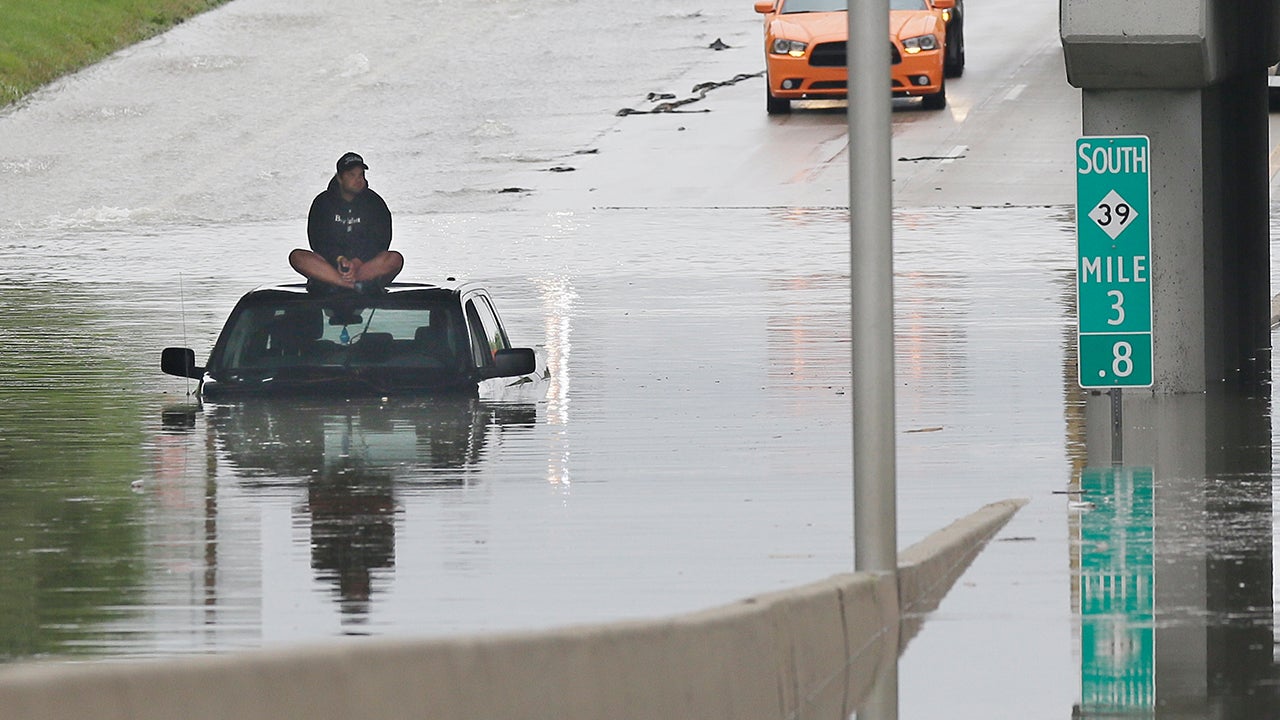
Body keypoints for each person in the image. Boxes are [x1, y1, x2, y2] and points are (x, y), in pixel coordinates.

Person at [289, 152, 404, 292]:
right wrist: (339, 259)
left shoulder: (375, 203)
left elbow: (380, 241)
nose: (358, 180)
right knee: (297, 257)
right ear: (339, 178)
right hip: (332, 267)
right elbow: (318, 242)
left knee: (395, 259)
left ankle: (349, 282)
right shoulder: (322, 203)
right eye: (352, 175)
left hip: (365, 268)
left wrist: (357, 261)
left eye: (361, 175)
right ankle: (349, 285)